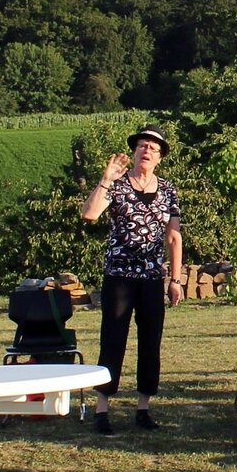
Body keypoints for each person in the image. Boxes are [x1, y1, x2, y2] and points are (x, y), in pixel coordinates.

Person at [80, 126, 184, 434]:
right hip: (119, 277)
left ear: (160, 157)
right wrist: (105, 179)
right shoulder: (117, 185)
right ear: (135, 152)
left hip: (151, 277)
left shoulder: (168, 190)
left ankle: (143, 409)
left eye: (153, 147)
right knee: (113, 339)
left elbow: (174, 237)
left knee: (151, 341)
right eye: (142, 146)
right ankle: (102, 410)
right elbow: (90, 214)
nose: (146, 150)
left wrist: (175, 279)